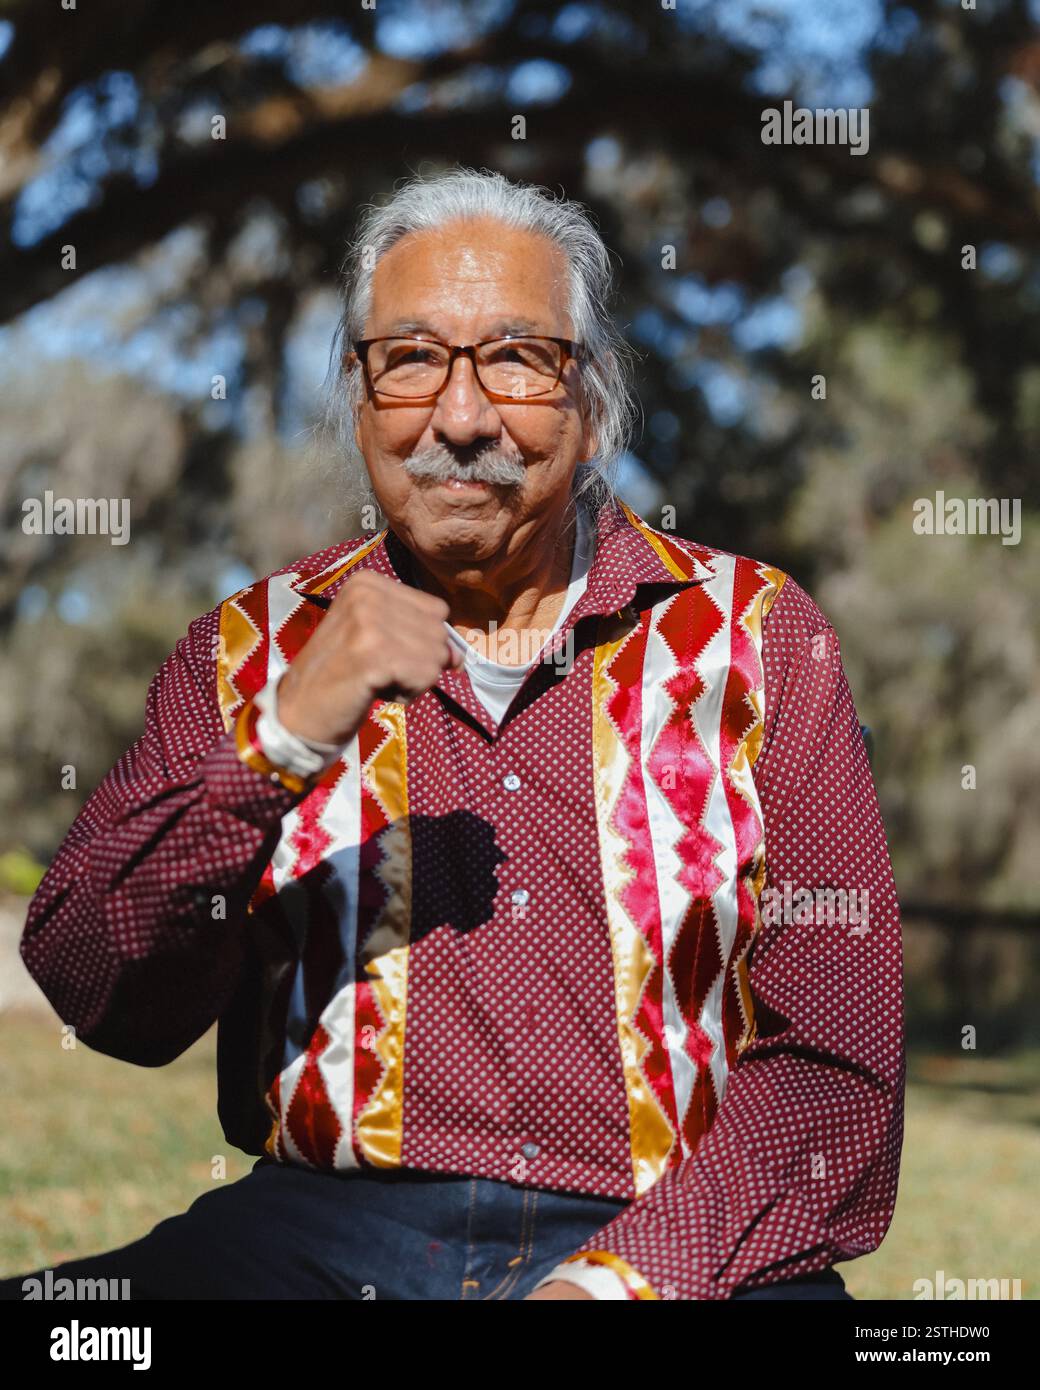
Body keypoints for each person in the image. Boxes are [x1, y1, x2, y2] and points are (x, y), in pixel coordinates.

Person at [6, 167, 903, 1301]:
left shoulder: (759, 640)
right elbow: (100, 991)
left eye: (518, 358)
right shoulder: (249, 648)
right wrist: (279, 741)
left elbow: (837, 1065)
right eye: (412, 358)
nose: (463, 418)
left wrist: (614, 1285)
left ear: (590, 405)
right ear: (358, 393)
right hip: (317, 1244)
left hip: (676, 1252)